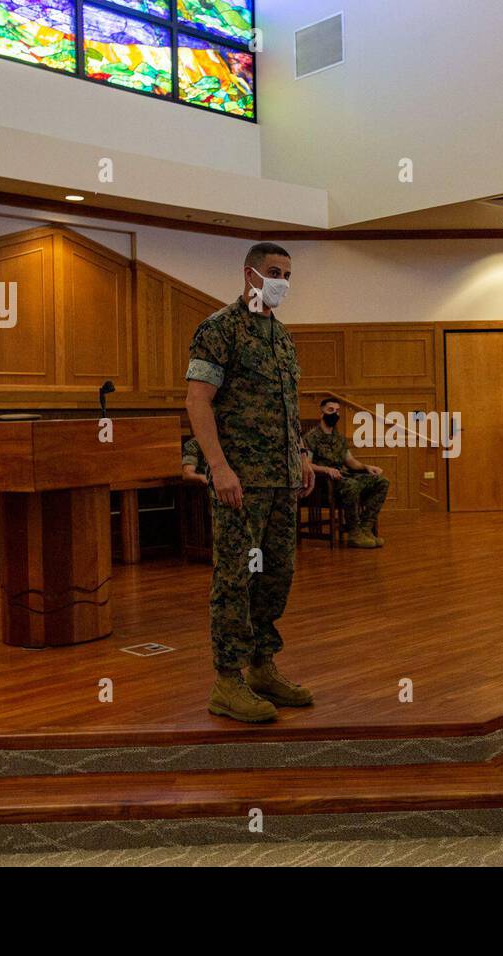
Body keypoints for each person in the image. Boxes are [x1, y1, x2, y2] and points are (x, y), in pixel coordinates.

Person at [184, 242, 317, 723]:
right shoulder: (220, 329)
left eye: (287, 274)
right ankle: (227, 680)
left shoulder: (281, 338)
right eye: (274, 272)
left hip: (282, 481)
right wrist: (218, 466)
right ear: (250, 275)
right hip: (240, 482)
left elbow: (287, 406)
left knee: (274, 577)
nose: (282, 280)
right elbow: (198, 401)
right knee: (236, 579)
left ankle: (262, 666)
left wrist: (301, 453)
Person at [303, 397, 389, 548]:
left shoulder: (339, 437)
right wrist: (327, 469)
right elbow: (307, 465)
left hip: (343, 478)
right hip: (324, 483)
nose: (334, 414)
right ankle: (354, 532)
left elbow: (350, 461)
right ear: (321, 413)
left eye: (337, 411)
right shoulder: (311, 437)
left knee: (381, 482)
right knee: (352, 485)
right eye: (330, 410)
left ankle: (365, 528)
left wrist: (366, 467)